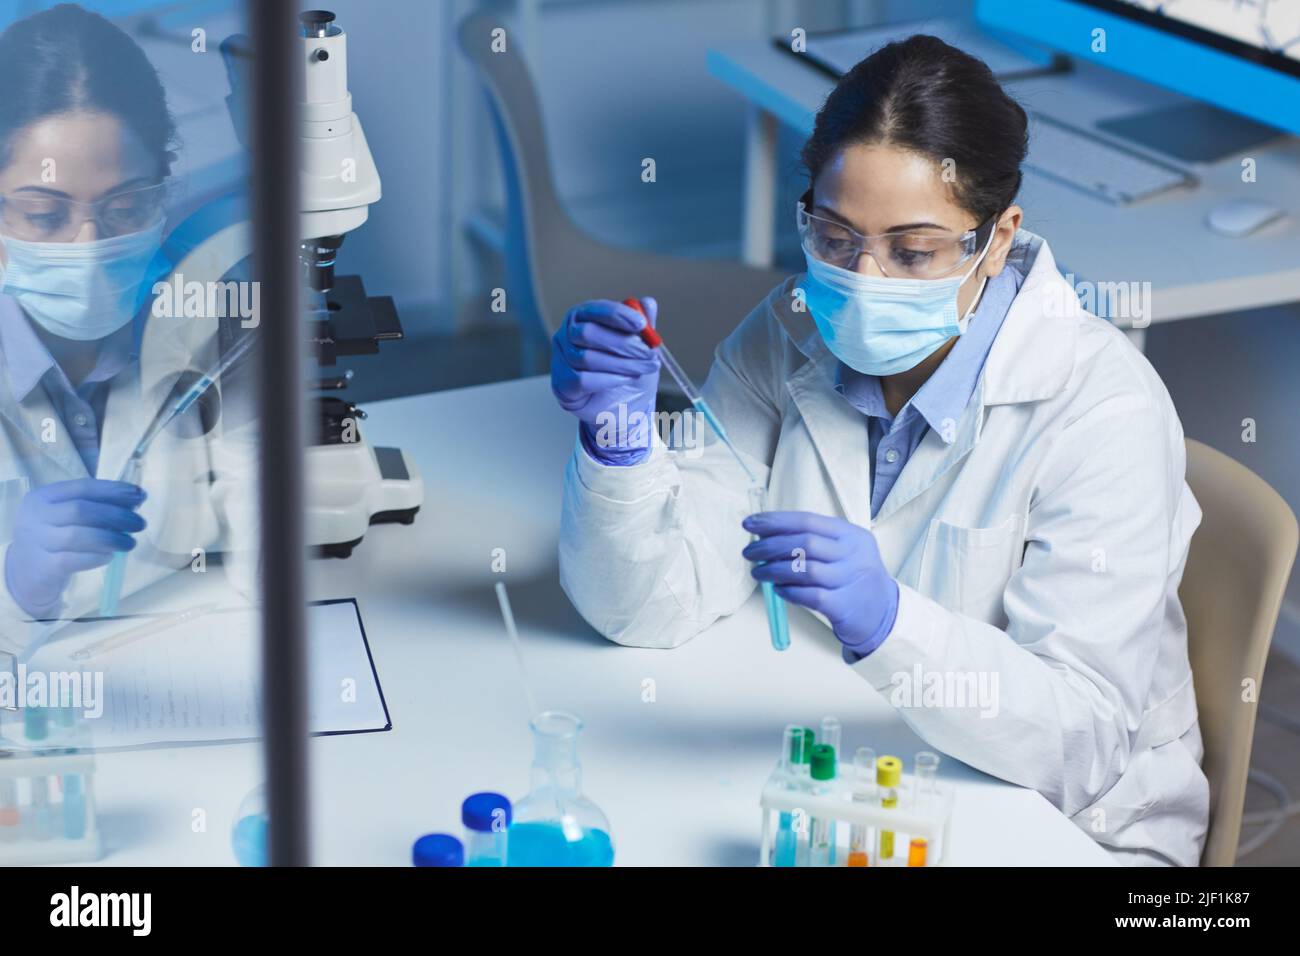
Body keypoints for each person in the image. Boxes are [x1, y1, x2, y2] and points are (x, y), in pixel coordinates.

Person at [551, 35, 1208, 866]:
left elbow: (1082, 743)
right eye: (835, 238)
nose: (865, 278)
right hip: (864, 770)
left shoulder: (1103, 409)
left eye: (913, 251)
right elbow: (647, 607)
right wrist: (616, 441)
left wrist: (895, 624)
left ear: (996, 238)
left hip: (1065, 827)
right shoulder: (788, 328)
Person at [0, 4, 256, 656]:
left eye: (125, 208)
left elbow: (262, 528)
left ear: (161, 192)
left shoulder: (205, 318)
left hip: (195, 652)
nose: (89, 247)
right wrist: (16, 588)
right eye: (44, 214)